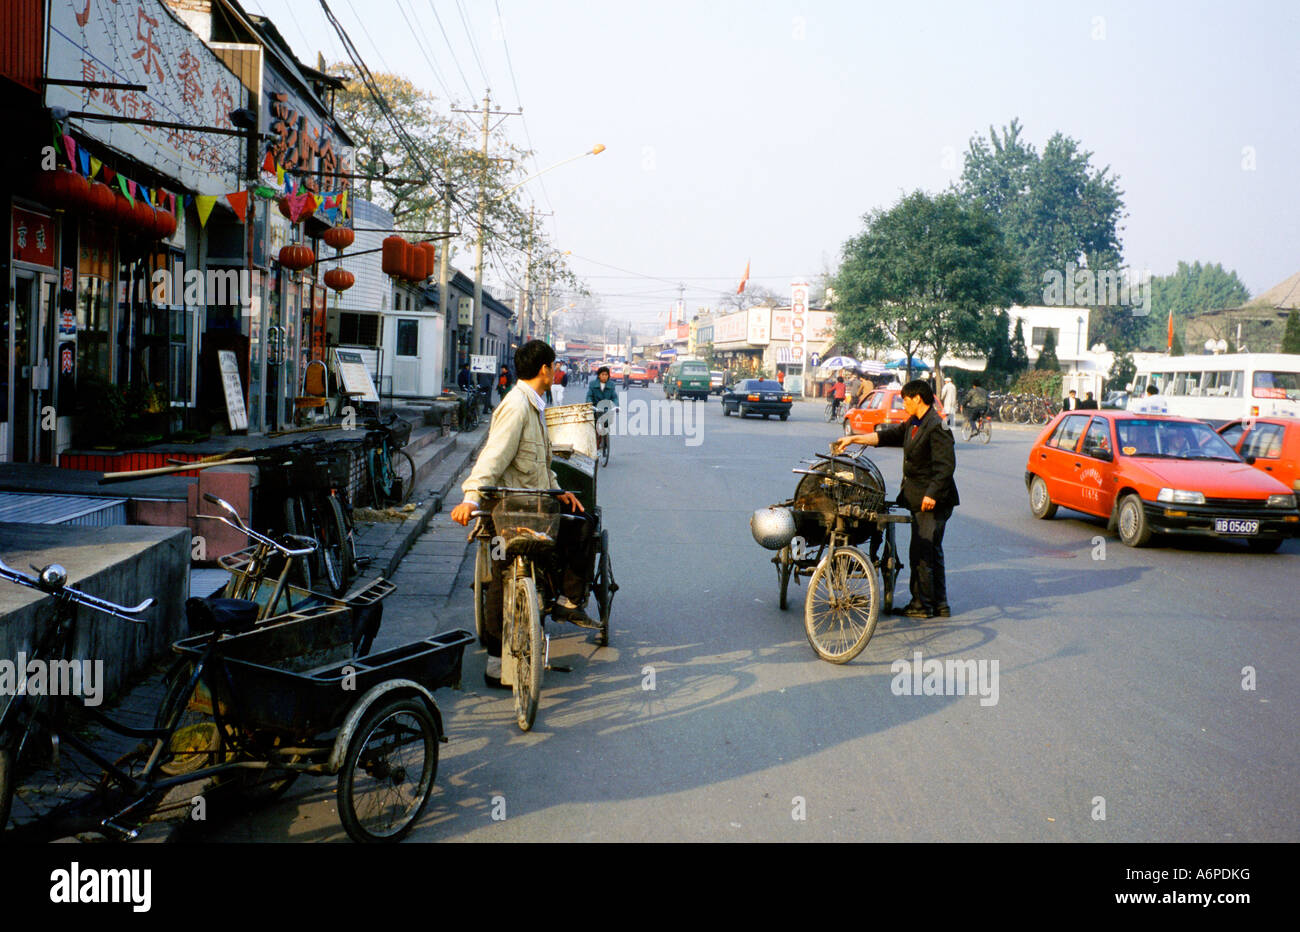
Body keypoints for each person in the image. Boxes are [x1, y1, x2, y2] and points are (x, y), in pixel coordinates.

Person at [451, 340, 596, 688]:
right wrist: (471, 499)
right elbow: (493, 457)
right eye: (554, 365)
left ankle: (564, 599)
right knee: (502, 577)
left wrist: (558, 490)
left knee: (583, 523)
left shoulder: (534, 405)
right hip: (511, 508)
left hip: (538, 502)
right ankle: (497, 661)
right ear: (545, 369)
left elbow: (539, 463)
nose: (555, 370)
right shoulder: (516, 406)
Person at [832, 379, 959, 618]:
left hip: (933, 500)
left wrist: (931, 494)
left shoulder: (937, 425)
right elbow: (886, 437)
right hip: (920, 496)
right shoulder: (915, 422)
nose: (904, 405)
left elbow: (946, 466)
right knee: (932, 551)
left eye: (906, 400)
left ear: (917, 399)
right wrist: (853, 439)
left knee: (922, 552)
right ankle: (939, 604)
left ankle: (921, 606)